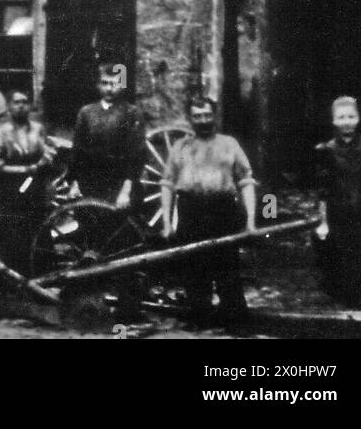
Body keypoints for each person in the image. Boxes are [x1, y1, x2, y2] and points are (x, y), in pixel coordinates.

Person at [160, 95, 257, 327]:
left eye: (207, 115)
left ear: (214, 116)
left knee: (228, 267)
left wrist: (252, 221)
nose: (202, 120)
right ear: (190, 119)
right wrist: (166, 223)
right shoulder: (180, 147)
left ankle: (234, 318)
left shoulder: (229, 144)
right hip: (190, 211)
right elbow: (167, 185)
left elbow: (246, 181)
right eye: (197, 116)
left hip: (223, 212)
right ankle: (200, 316)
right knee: (194, 267)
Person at [69, 65, 147, 319]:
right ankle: (92, 303)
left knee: (122, 242)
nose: (110, 88)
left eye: (115, 83)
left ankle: (127, 305)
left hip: (119, 183)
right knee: (91, 241)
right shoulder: (86, 113)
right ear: (98, 85)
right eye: (105, 83)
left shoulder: (131, 113)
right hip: (91, 183)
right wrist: (74, 183)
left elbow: (137, 156)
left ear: (123, 85)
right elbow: (77, 150)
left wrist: (126, 190)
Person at [313, 95, 361, 306]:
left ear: (358, 118)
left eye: (351, 116)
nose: (347, 122)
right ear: (334, 121)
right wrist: (323, 222)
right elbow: (323, 190)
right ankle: (345, 298)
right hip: (340, 210)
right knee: (341, 253)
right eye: (341, 117)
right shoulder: (325, 150)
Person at [0, 89, 55, 275]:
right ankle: (10, 280)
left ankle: (39, 278)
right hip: (9, 190)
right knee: (10, 235)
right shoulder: (1, 132)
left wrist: (46, 158)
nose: (21, 106)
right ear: (9, 107)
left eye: (24, 102)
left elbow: (47, 150)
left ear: (30, 106)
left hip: (34, 190)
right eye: (16, 102)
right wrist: (25, 170)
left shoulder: (38, 129)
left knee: (38, 231)